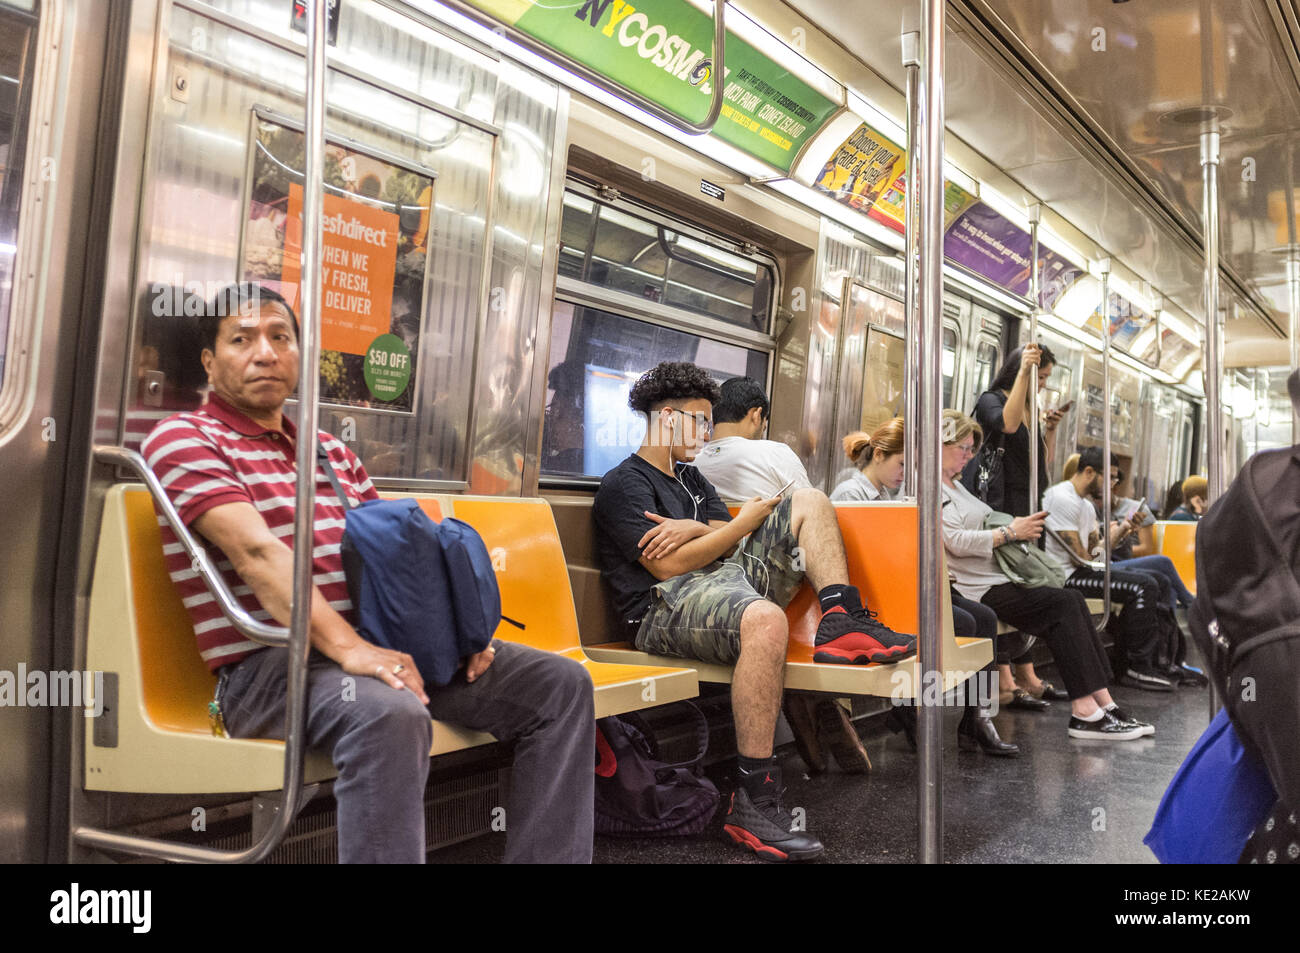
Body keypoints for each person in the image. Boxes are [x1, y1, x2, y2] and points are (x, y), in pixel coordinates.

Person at [143, 283, 595, 864]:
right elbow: (257, 554)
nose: (265, 353)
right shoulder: (186, 441)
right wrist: (351, 648)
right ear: (210, 360)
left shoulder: (330, 452)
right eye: (242, 339)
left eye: (280, 337)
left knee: (558, 686)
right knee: (389, 713)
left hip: (374, 649)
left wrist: (460, 638)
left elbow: (400, 564)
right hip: (271, 668)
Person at [592, 361, 916, 861]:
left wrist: (702, 530)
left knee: (808, 500)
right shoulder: (624, 485)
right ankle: (755, 799)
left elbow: (732, 536)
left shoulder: (691, 480)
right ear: (668, 418)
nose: (706, 432)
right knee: (767, 619)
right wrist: (715, 533)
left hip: (720, 581)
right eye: (699, 421)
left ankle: (840, 619)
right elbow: (669, 566)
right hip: (663, 608)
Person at [693, 377, 870, 775]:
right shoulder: (773, 452)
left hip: (710, 588)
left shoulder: (692, 461)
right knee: (819, 552)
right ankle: (825, 694)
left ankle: (810, 698)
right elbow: (815, 514)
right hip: (769, 586)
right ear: (756, 415)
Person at [940, 411, 1152, 741]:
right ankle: (1086, 710)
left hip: (998, 577)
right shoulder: (932, 488)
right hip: (975, 586)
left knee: (1071, 601)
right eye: (963, 448)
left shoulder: (956, 486)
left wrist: (1011, 530)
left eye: (971, 449)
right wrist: (1010, 532)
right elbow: (952, 541)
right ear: (941, 445)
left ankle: (1103, 702)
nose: (968, 456)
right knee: (1063, 604)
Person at [965, 344, 1069, 704]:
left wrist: (1049, 429)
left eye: (1044, 378)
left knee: (1024, 582)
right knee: (1007, 583)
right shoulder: (992, 399)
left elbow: (1041, 460)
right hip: (1002, 506)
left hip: (1026, 503)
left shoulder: (1029, 407)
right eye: (1040, 376)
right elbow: (1006, 426)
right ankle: (1005, 679)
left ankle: (1025, 673)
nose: (1041, 384)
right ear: (1020, 369)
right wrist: (1025, 374)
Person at [1041, 447, 1174, 692]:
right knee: (1142, 585)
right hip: (1064, 577)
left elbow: (1095, 555)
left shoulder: (1087, 506)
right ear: (1090, 472)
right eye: (1110, 477)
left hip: (1081, 571)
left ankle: (1158, 659)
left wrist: (1123, 529)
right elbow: (1081, 559)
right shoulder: (1062, 498)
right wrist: (1102, 550)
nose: (1113, 484)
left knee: (1156, 577)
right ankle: (1136, 666)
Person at [691, 376, 813, 501]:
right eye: (764, 424)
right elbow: (809, 506)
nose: (763, 429)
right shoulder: (775, 453)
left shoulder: (691, 464)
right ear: (756, 415)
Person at [830, 419, 903, 501]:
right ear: (878, 454)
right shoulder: (850, 494)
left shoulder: (882, 494)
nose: (904, 474)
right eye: (902, 464)